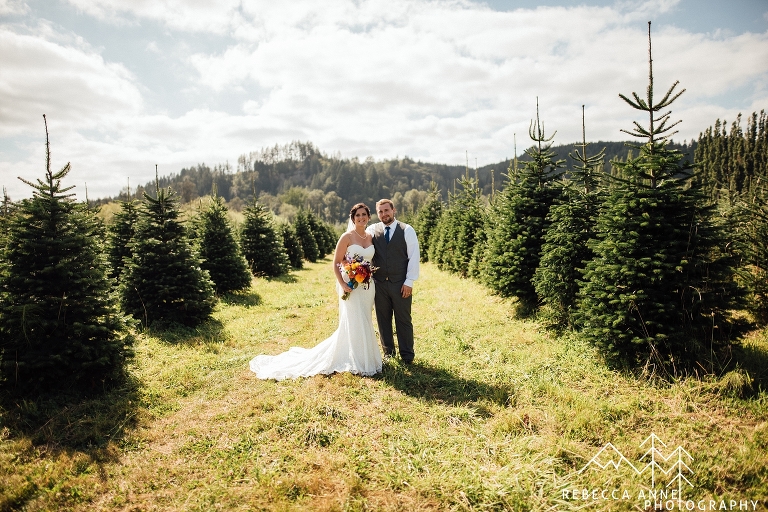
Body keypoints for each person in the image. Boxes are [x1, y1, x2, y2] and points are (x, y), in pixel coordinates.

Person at [249, 203, 382, 380]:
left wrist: (365, 273)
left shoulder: (370, 237)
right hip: (350, 284)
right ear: (353, 218)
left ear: (368, 216)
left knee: (365, 318)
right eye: (357, 215)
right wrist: (343, 283)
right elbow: (336, 262)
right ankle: (357, 360)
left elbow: (371, 261)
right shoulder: (347, 237)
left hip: (367, 286)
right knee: (352, 319)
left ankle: (367, 357)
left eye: (364, 214)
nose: (361, 218)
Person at [367, 199, 420, 363]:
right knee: (383, 320)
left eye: (386, 210)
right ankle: (388, 353)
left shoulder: (407, 230)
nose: (384, 214)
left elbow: (414, 257)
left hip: (400, 283)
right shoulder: (372, 230)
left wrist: (409, 281)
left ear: (393, 210)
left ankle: (407, 355)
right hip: (380, 284)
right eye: (380, 211)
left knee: (403, 319)